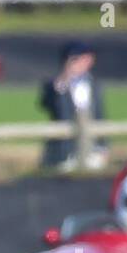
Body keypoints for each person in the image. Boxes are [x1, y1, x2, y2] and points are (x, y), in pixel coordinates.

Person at [39, 40, 106, 170]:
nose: (84, 63)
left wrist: (103, 146)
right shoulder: (55, 85)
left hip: (92, 148)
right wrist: (66, 76)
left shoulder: (94, 85)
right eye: (78, 59)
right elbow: (47, 104)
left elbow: (100, 115)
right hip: (64, 150)